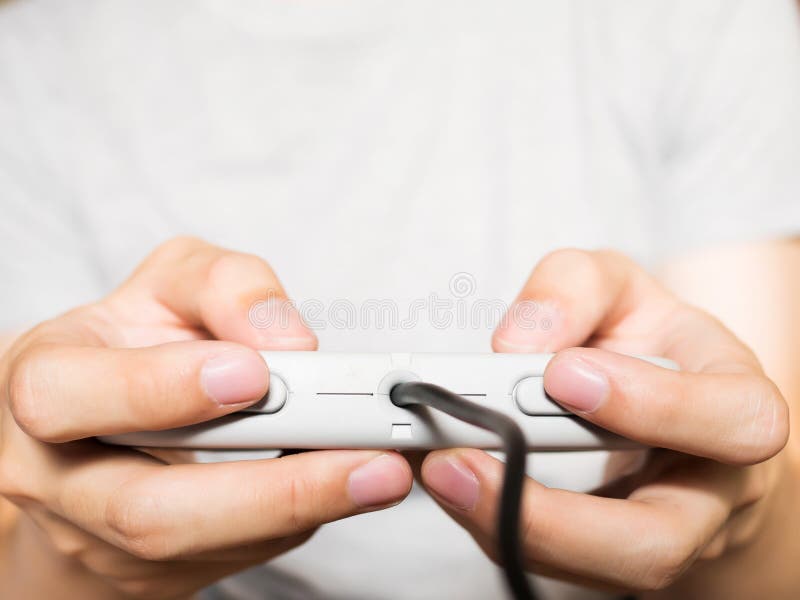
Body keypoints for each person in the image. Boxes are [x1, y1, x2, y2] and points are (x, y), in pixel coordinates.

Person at [1, 1, 799, 599]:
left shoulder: (703, 19)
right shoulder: (33, 61)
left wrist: (736, 522)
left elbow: (758, 478)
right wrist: (87, 559)